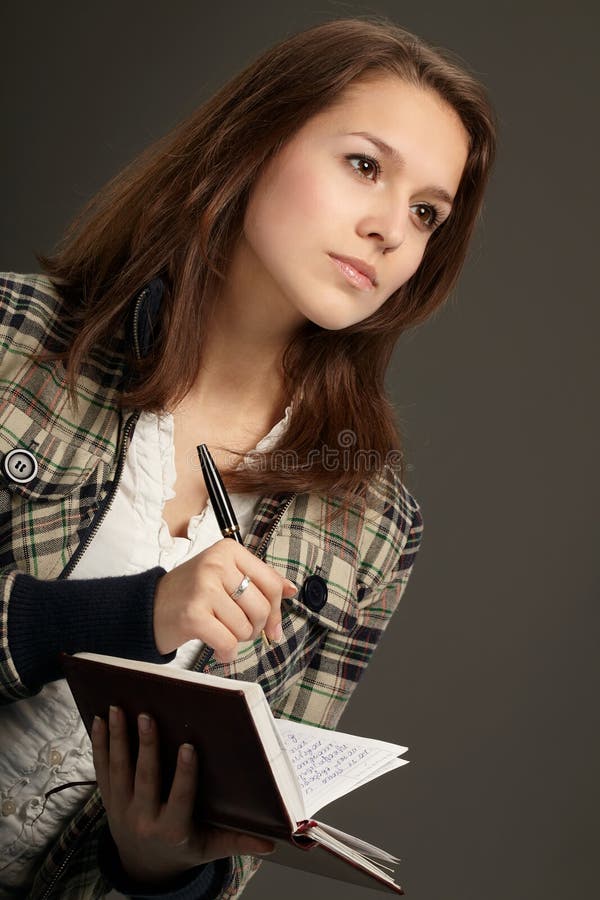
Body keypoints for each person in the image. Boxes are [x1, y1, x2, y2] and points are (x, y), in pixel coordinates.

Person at [0, 16, 497, 900]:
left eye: (427, 212)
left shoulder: (374, 525)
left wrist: (156, 865)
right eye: (364, 165)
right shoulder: (13, 338)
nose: (391, 228)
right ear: (255, 141)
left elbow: (233, 856)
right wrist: (137, 613)